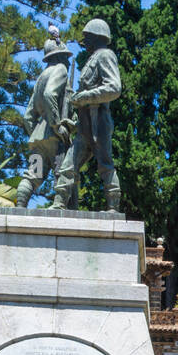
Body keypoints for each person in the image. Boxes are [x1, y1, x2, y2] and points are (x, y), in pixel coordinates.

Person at [51, 18, 122, 213]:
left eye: (87, 37)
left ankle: (112, 207)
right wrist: (74, 123)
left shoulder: (105, 55)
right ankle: (58, 204)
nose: (84, 41)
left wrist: (84, 97)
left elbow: (114, 88)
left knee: (105, 165)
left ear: (97, 36)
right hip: (84, 125)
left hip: (99, 123)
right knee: (68, 165)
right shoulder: (92, 59)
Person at [14, 37, 75, 209]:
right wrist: (56, 126)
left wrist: (37, 135)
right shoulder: (61, 69)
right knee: (62, 173)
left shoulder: (42, 76)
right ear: (61, 56)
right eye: (66, 57)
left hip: (38, 137)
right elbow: (50, 95)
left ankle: (20, 206)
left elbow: (27, 116)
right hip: (55, 135)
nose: (68, 62)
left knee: (32, 176)